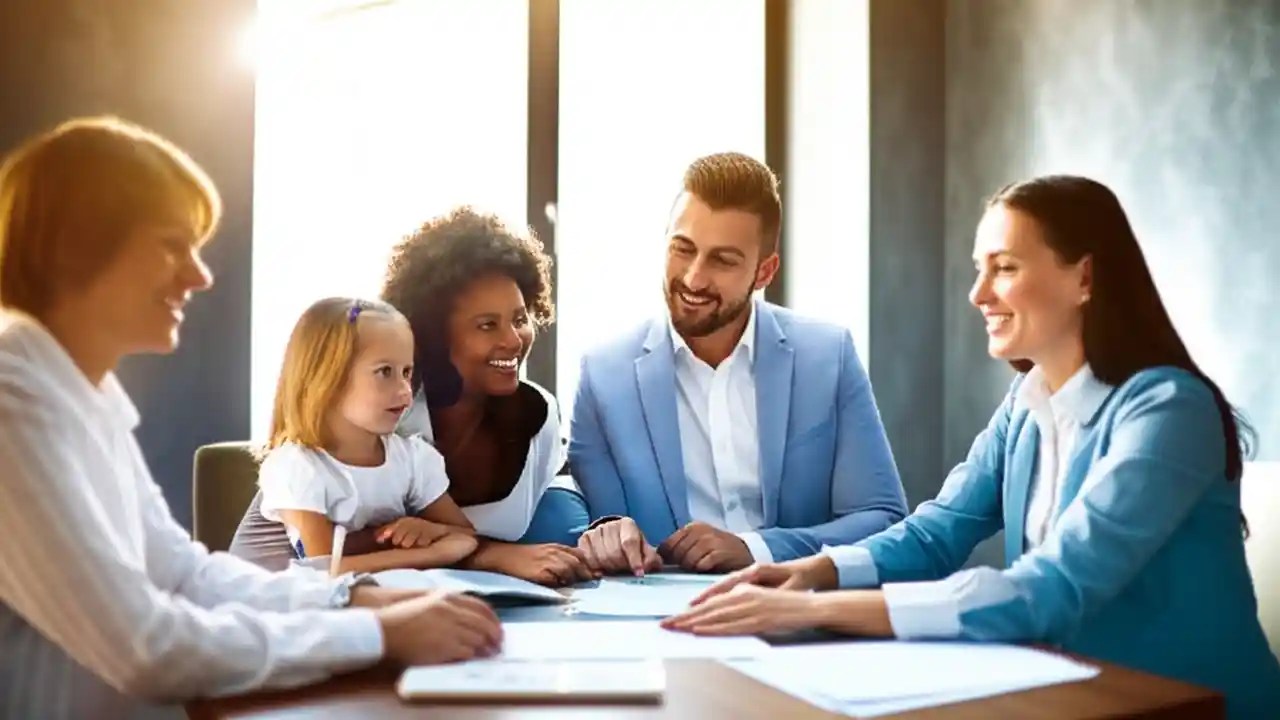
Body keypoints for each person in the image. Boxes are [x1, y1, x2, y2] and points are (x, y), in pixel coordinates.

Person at [663, 175, 1280, 717]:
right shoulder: (1027, 403)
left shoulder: (1169, 409)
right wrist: (812, 572)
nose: (978, 293)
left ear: (1084, 277)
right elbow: (937, 532)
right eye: (979, 268)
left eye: (1004, 267)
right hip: (1069, 697)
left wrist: (814, 611)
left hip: (1189, 706)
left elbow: (1051, 587)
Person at [0, 117, 502, 719]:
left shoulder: (81, 391)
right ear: (75, 246)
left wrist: (357, 604)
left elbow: (184, 574)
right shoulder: (14, 404)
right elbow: (145, 646)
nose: (200, 275)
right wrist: (379, 635)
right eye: (171, 245)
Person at [569, 152, 907, 575]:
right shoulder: (603, 377)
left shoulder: (828, 356)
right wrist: (610, 538)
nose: (693, 278)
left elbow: (883, 519)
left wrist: (756, 549)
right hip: (666, 620)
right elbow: (603, 532)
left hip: (799, 610)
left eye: (722, 260)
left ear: (764, 272)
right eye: (682, 249)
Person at [381, 207, 594, 587]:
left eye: (519, 318)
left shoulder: (539, 415)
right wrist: (493, 556)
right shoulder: (389, 416)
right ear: (434, 333)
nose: (513, 340)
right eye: (487, 325)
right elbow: (341, 550)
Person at [256, 297, 478, 574]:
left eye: (406, 372)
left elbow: (465, 536)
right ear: (327, 378)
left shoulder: (413, 459)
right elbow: (323, 570)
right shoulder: (296, 467)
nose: (406, 392)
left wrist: (428, 529)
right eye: (384, 372)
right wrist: (429, 554)